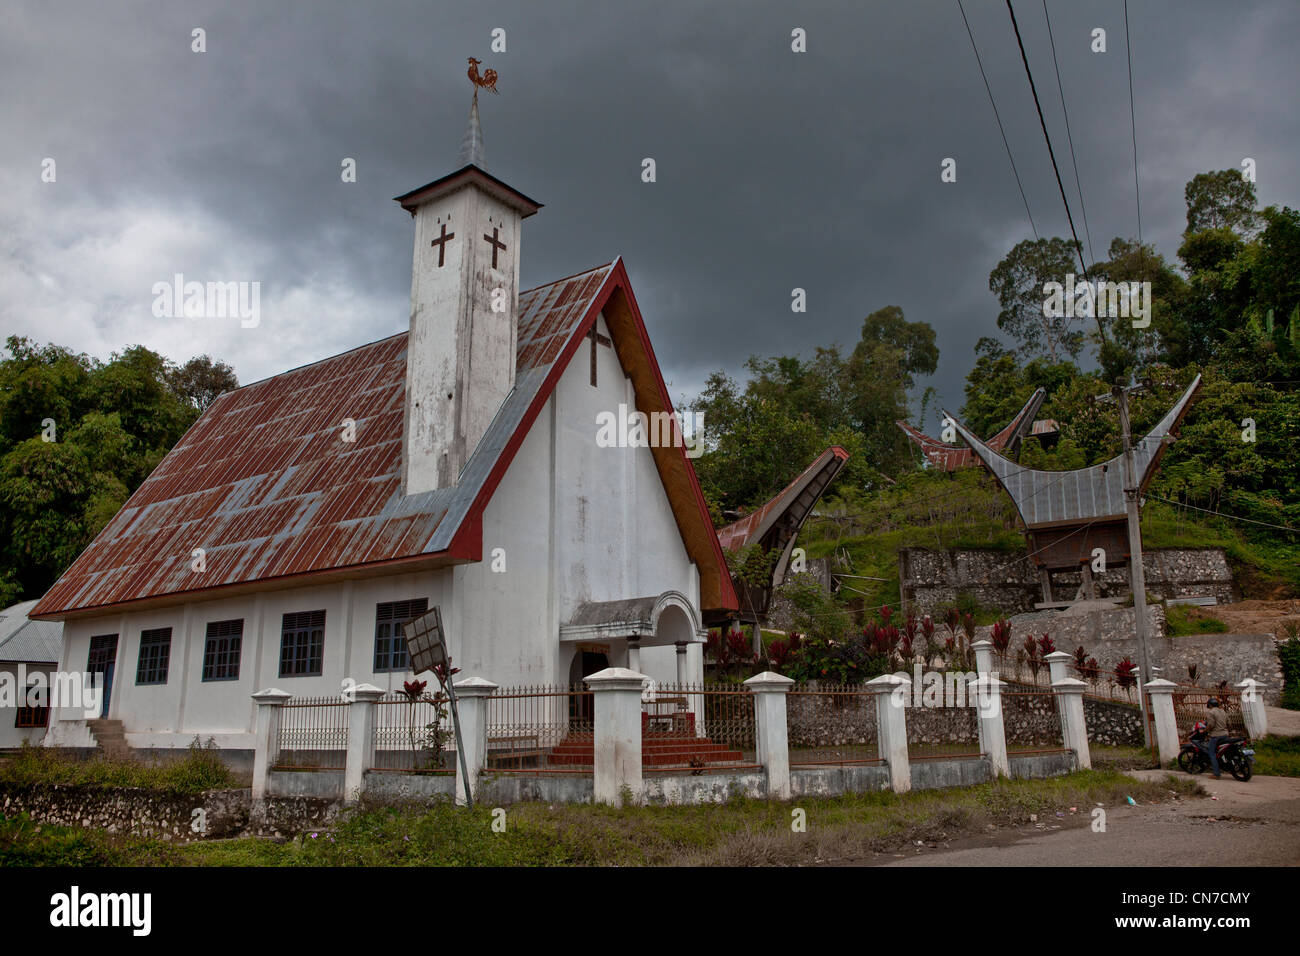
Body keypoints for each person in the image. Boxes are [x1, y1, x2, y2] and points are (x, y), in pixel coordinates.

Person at [1202, 697, 1229, 779]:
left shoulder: (1210, 712)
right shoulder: (1223, 711)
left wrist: (1205, 731)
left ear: (1210, 705)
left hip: (1216, 736)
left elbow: (1211, 724)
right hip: (1225, 734)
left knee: (1211, 753)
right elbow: (1228, 722)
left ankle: (1216, 774)